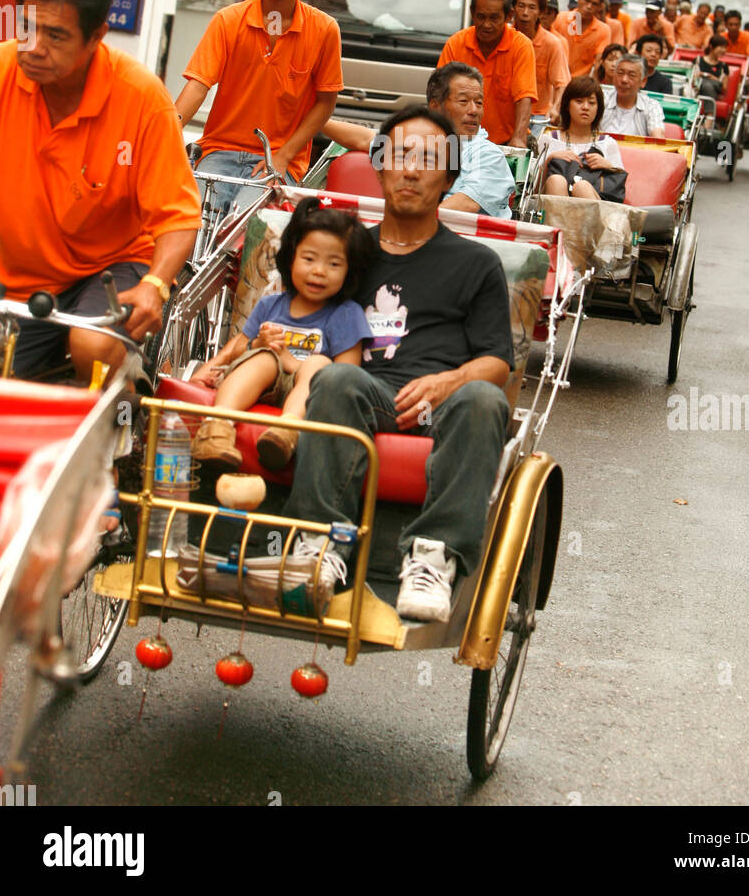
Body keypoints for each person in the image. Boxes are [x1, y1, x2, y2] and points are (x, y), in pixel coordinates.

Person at [280, 105, 515, 623]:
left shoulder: (477, 264)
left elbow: (497, 361)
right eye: (400, 155)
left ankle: (432, 558)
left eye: (428, 159)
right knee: (338, 376)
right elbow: (297, 318)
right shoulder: (345, 254)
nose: (410, 170)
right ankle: (320, 545)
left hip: (441, 406)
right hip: (361, 393)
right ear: (379, 166)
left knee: (484, 396)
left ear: (449, 176)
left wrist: (450, 380)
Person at [0, 0, 201, 380]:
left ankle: (124, 412)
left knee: (93, 346)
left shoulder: (140, 97)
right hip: (17, 276)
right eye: (27, 28)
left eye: (55, 35)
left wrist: (155, 286)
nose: (33, 46)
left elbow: (178, 217)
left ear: (96, 36)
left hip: (113, 265)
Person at [190, 198, 373, 471]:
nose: (318, 271)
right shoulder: (270, 304)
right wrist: (213, 366)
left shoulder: (346, 314)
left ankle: (286, 432)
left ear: (350, 273)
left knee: (320, 363)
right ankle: (216, 428)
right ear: (291, 259)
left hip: (307, 393)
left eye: (334, 264)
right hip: (259, 381)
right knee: (263, 356)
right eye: (309, 259)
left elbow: (345, 377)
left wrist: (292, 363)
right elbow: (236, 347)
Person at [175, 0, 342, 207]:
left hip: (279, 160)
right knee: (192, 221)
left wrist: (284, 155)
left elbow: (325, 103)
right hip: (218, 152)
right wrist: (166, 133)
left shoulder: (324, 30)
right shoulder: (228, 20)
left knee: (244, 230)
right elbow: (198, 85)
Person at [322, 62, 516, 219]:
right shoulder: (418, 140)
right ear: (435, 106)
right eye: (464, 102)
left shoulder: (487, 154)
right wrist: (312, 119)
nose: (474, 110)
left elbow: (466, 204)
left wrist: (405, 227)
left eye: (479, 102)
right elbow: (365, 139)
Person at [437, 0, 536, 146]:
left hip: (506, 142)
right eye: (481, 17)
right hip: (460, 141)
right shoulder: (456, 44)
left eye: (494, 18)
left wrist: (518, 138)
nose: (486, 24)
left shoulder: (521, 46)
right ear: (472, 13)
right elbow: (439, 95)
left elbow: (524, 97)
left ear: (509, 16)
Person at [542, 77, 626, 201]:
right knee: (556, 180)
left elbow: (618, 190)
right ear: (567, 105)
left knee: (582, 187)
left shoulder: (608, 143)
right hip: (552, 201)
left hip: (595, 206)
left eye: (591, 103)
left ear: (599, 109)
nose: (585, 107)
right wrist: (549, 161)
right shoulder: (549, 139)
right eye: (579, 101)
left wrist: (608, 166)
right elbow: (532, 188)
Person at [511, 0, 569, 121]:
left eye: (532, 7)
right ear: (513, 8)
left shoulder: (552, 43)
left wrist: (555, 108)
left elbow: (562, 83)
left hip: (537, 116)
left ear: (541, 12)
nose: (525, 13)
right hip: (505, 113)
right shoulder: (503, 37)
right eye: (521, 6)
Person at [552, 0, 612, 77]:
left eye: (594, 4)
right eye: (586, 0)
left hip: (580, 85)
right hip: (555, 78)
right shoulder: (559, 19)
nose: (589, 6)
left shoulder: (603, 30)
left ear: (600, 7)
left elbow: (598, 63)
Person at [600, 55, 666, 137]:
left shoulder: (651, 106)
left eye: (631, 75)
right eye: (620, 73)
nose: (624, 80)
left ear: (643, 81)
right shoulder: (601, 99)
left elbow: (657, 138)